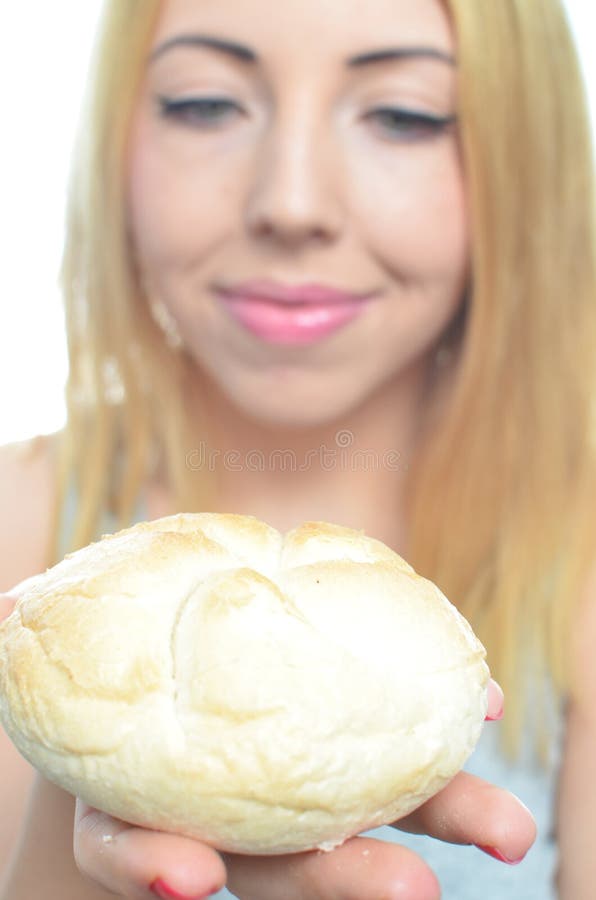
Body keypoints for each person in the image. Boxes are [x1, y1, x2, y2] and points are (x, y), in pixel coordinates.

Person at [1, 0, 595, 897]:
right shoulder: (20, 537)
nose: (291, 203)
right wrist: (81, 802)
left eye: (403, 115)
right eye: (205, 103)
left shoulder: (577, 574)